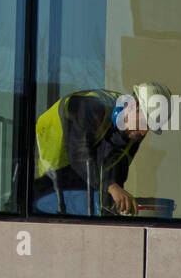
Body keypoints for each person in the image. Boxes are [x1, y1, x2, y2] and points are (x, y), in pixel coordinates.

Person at [33, 82, 172, 216]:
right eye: (144, 123)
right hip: (52, 140)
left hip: (78, 158)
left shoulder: (133, 131)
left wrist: (117, 205)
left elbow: (116, 169)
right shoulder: (90, 108)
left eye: (149, 128)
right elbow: (79, 155)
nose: (144, 133)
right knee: (54, 198)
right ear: (132, 106)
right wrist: (111, 187)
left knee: (88, 194)